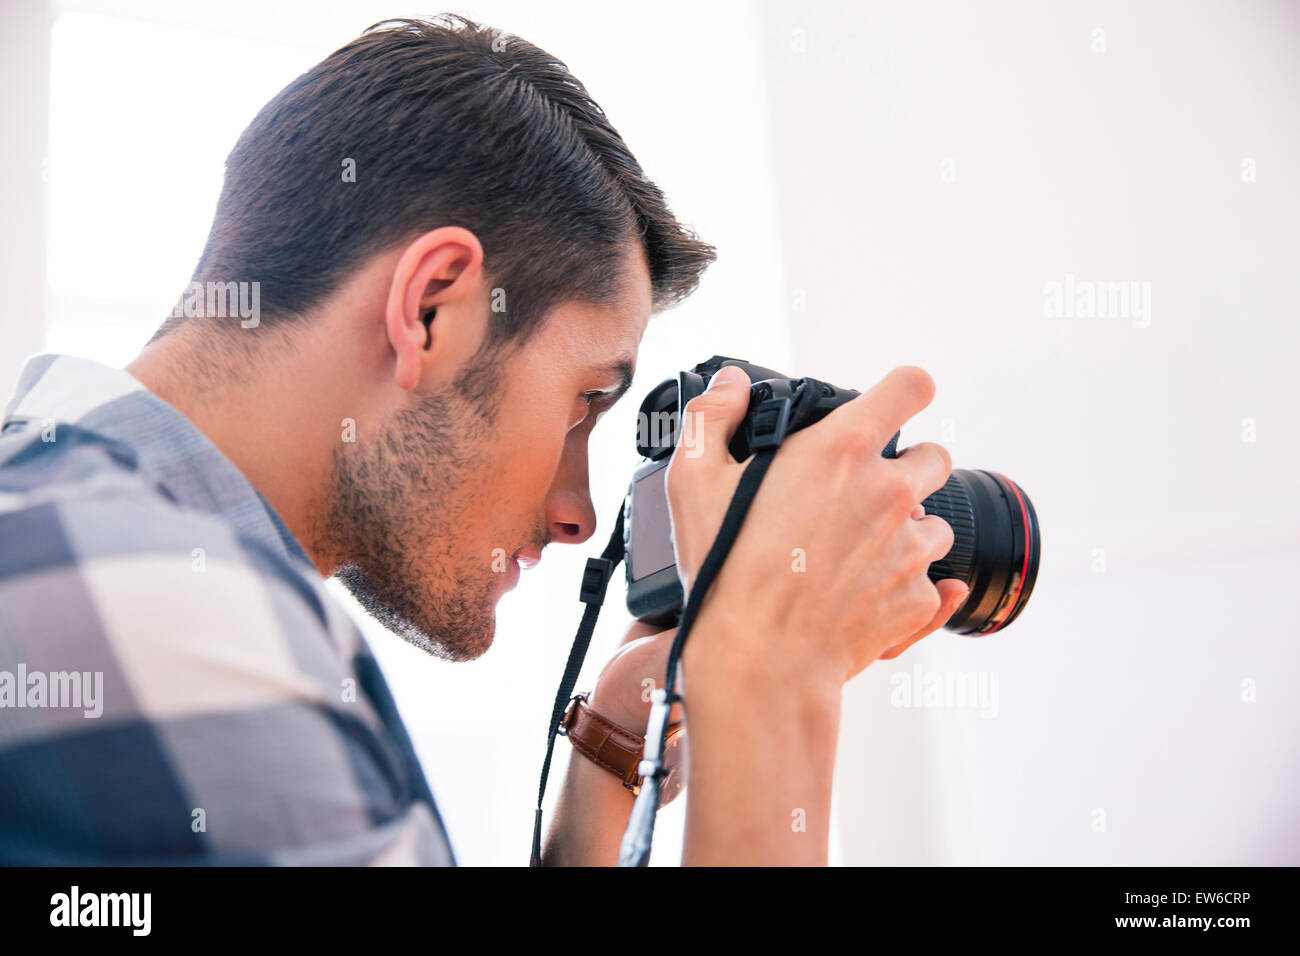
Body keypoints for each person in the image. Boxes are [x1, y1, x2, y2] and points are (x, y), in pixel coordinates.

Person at [0, 15, 964, 865]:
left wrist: (611, 755)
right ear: (430, 309)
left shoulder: (77, 532)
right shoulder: (175, 611)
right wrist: (774, 673)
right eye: (585, 401)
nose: (580, 516)